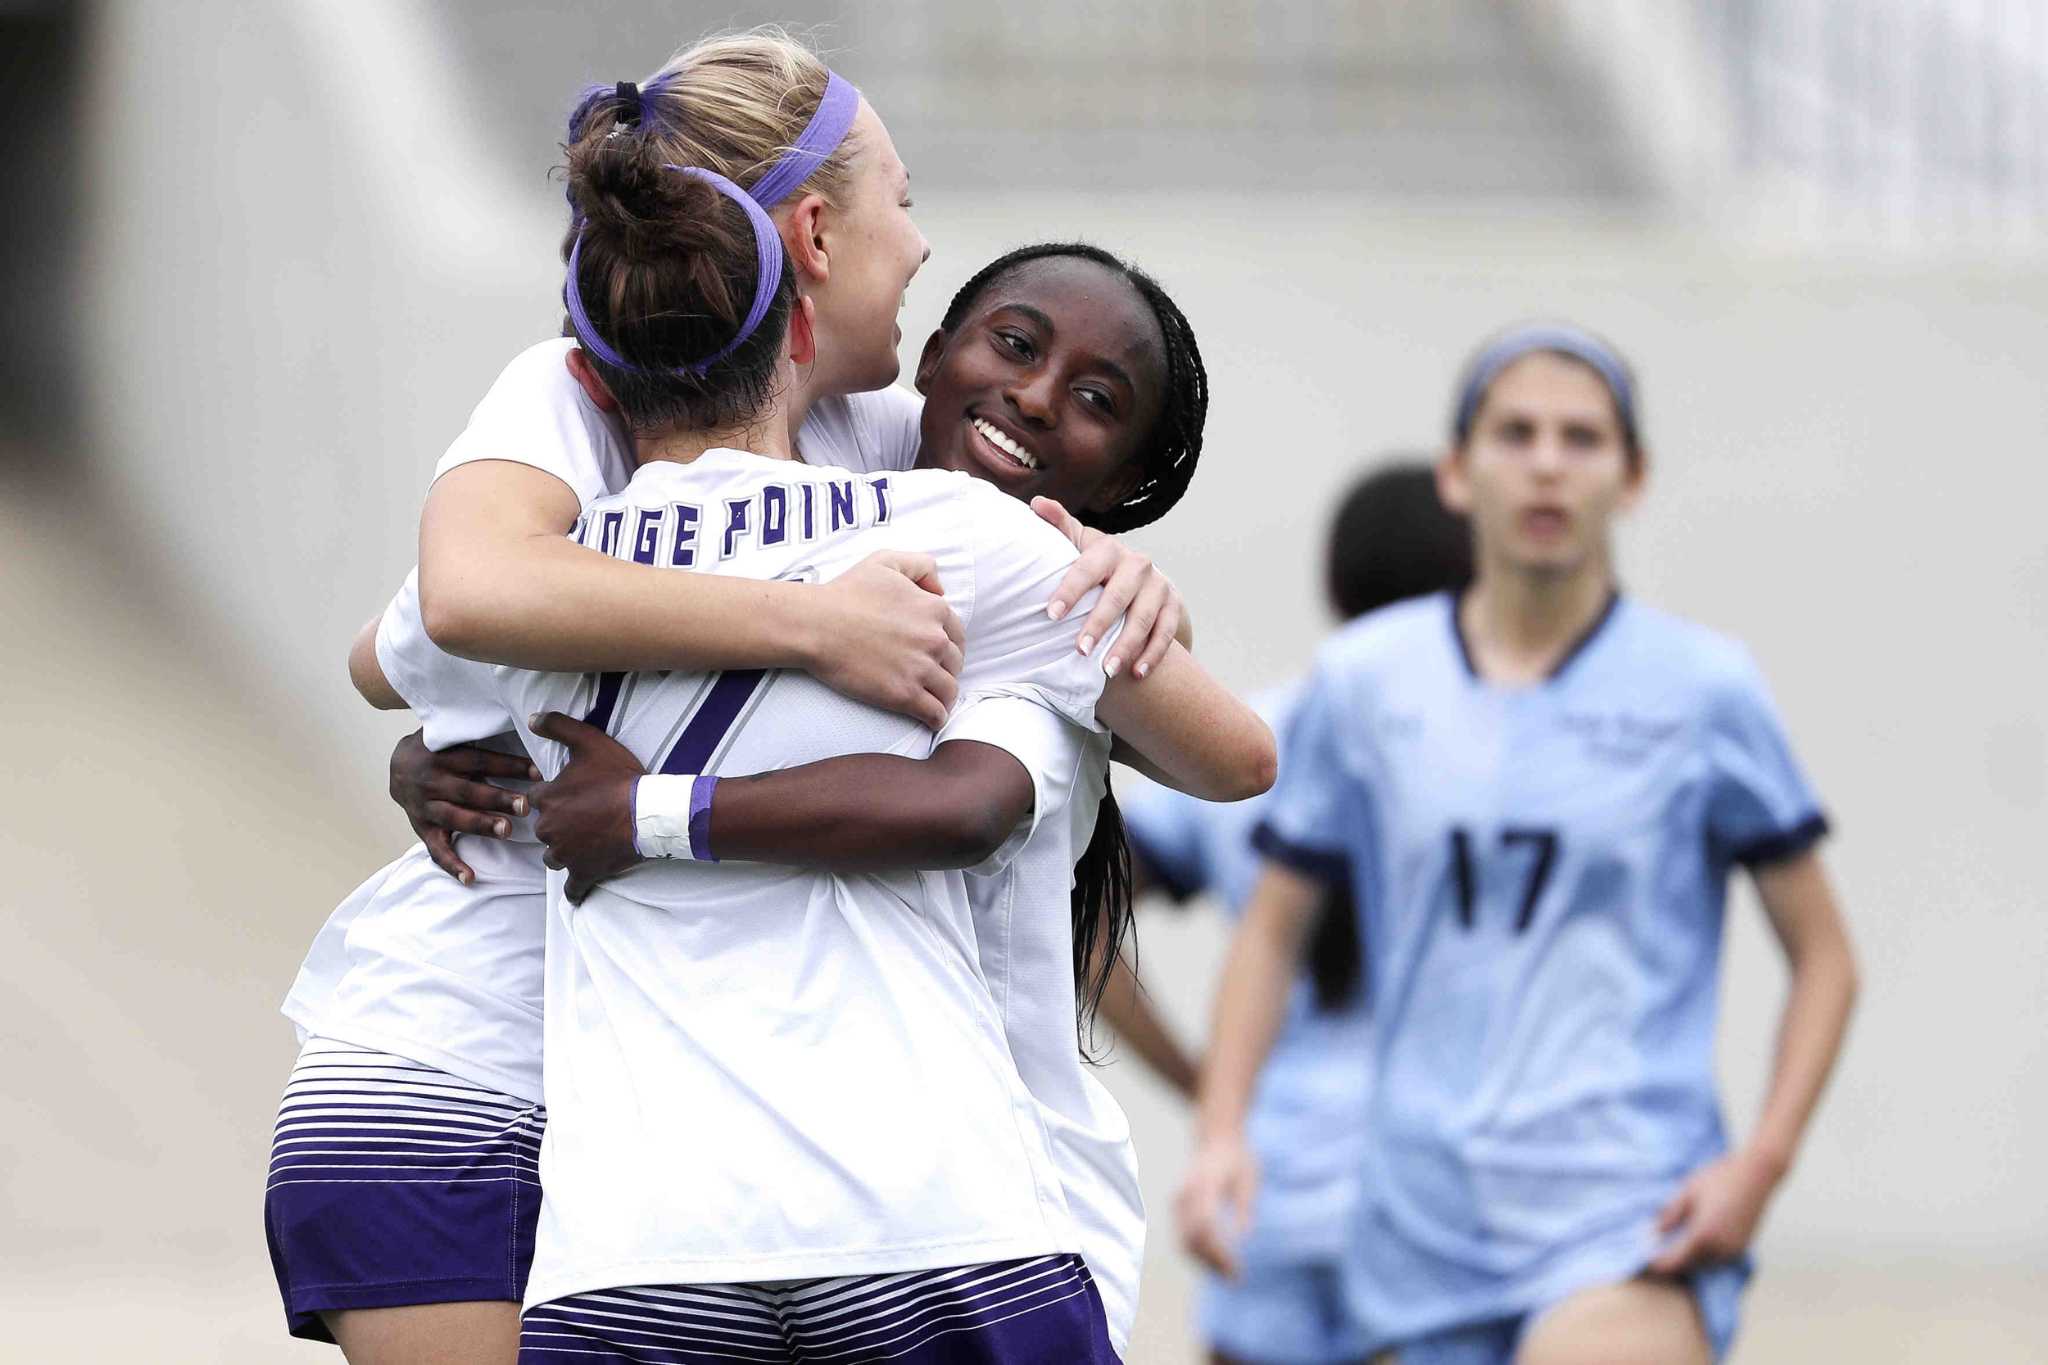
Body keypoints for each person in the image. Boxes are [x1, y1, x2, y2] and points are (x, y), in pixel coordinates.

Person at [269, 32, 1183, 1363]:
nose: (923, 245)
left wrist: (1125, 584)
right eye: (903, 201)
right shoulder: (581, 383)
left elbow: (1078, 625)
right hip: (472, 1068)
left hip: (678, 1135)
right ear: (813, 234)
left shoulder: (885, 438)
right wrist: (811, 628)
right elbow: (440, 611)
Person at [476, 104, 1268, 1361]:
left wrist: (542, 782)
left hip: (658, 1243)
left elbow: (417, 641)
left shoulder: (547, 562)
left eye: (1093, 398)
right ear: (915, 353)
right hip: (935, 1223)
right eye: (1015, 343)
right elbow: (1231, 762)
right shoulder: (957, 540)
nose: (1033, 394)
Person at [1176, 324, 1859, 1365]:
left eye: (1581, 439)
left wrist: (1759, 1165)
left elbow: (1825, 958)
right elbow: (1271, 930)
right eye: (1516, 434)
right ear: (1457, 472)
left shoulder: (1703, 689)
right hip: (1417, 1226)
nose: (1547, 463)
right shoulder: (1364, 681)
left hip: (1628, 1212)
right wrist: (1222, 1133)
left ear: (1632, 478)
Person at [1100, 462, 1471, 1365]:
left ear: (1334, 585)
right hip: (1445, 1188)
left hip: (1270, 1178)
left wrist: (1208, 1086)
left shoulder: (1250, 736)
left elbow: (1086, 927)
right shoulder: (1494, 757)